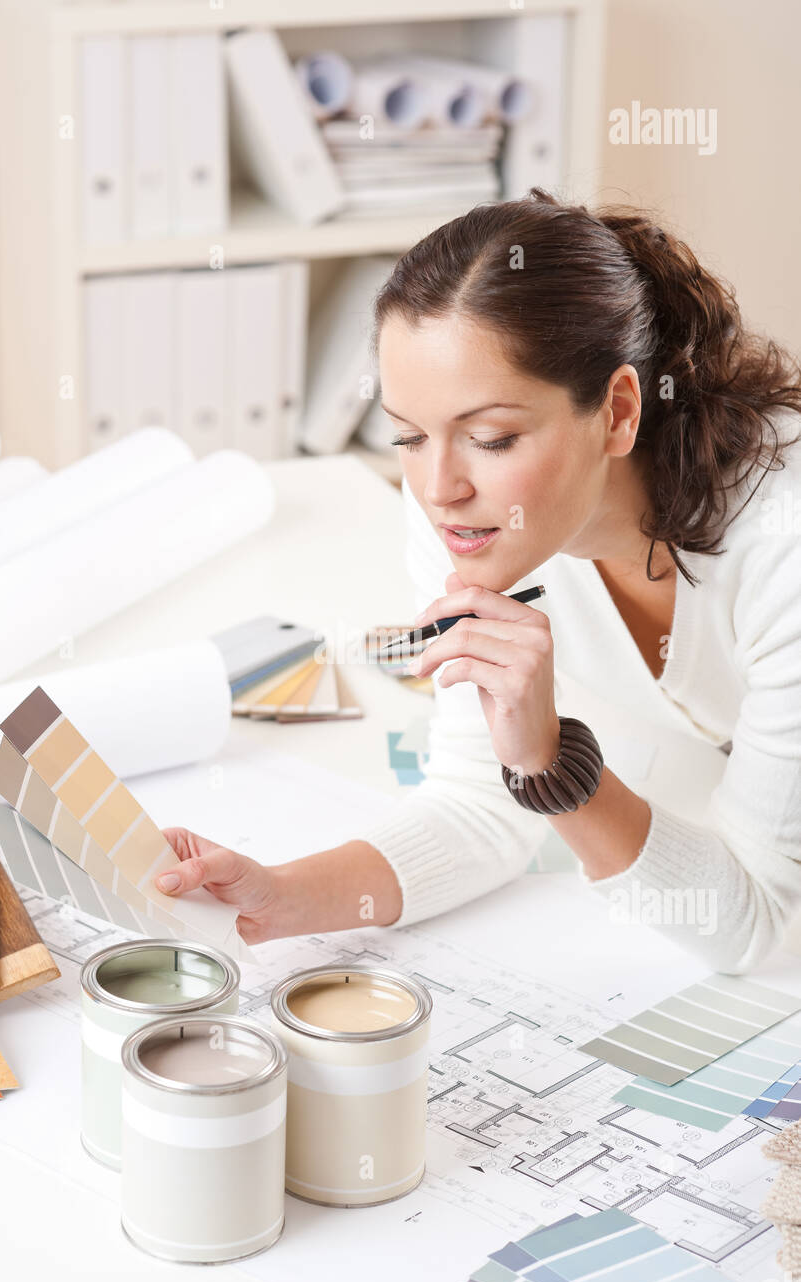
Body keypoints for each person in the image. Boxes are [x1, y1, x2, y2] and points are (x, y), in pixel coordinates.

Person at [156, 191, 801, 973]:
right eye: (407, 435)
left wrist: (553, 765)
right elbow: (477, 803)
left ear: (620, 411)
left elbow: (760, 926)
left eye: (492, 438)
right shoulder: (465, 511)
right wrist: (276, 897)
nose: (438, 487)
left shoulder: (780, 546)